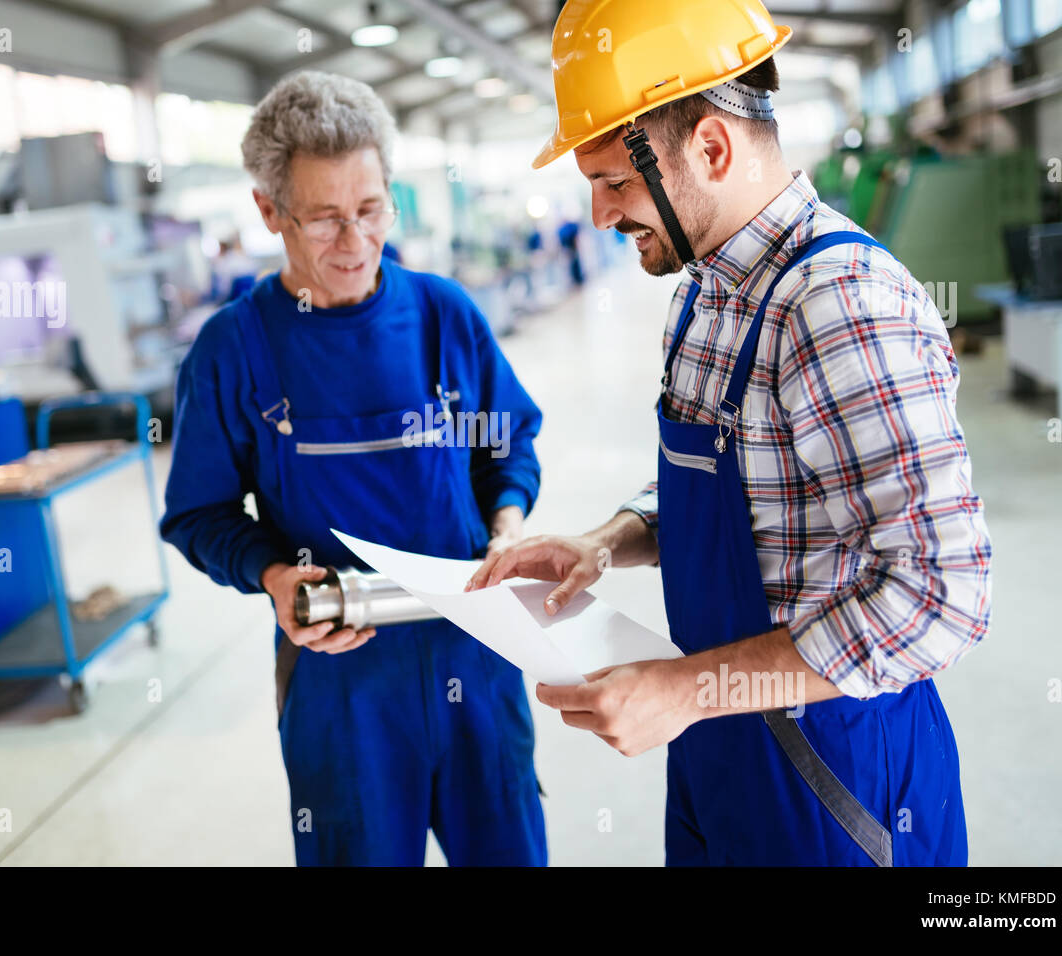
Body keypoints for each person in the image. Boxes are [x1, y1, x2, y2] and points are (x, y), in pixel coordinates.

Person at [468, 0, 992, 866]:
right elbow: (745, 488)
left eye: (615, 183)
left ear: (711, 147)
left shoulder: (840, 304)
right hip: (721, 749)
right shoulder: (706, 292)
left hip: (840, 783)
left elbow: (941, 597)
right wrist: (610, 539)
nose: (598, 217)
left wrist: (684, 687)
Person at [159, 71, 548, 866]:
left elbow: (504, 444)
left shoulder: (444, 316)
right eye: (326, 219)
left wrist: (507, 526)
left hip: (475, 659)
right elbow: (197, 513)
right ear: (270, 212)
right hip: (341, 684)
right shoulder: (236, 349)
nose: (356, 242)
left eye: (371, 210)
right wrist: (274, 578)